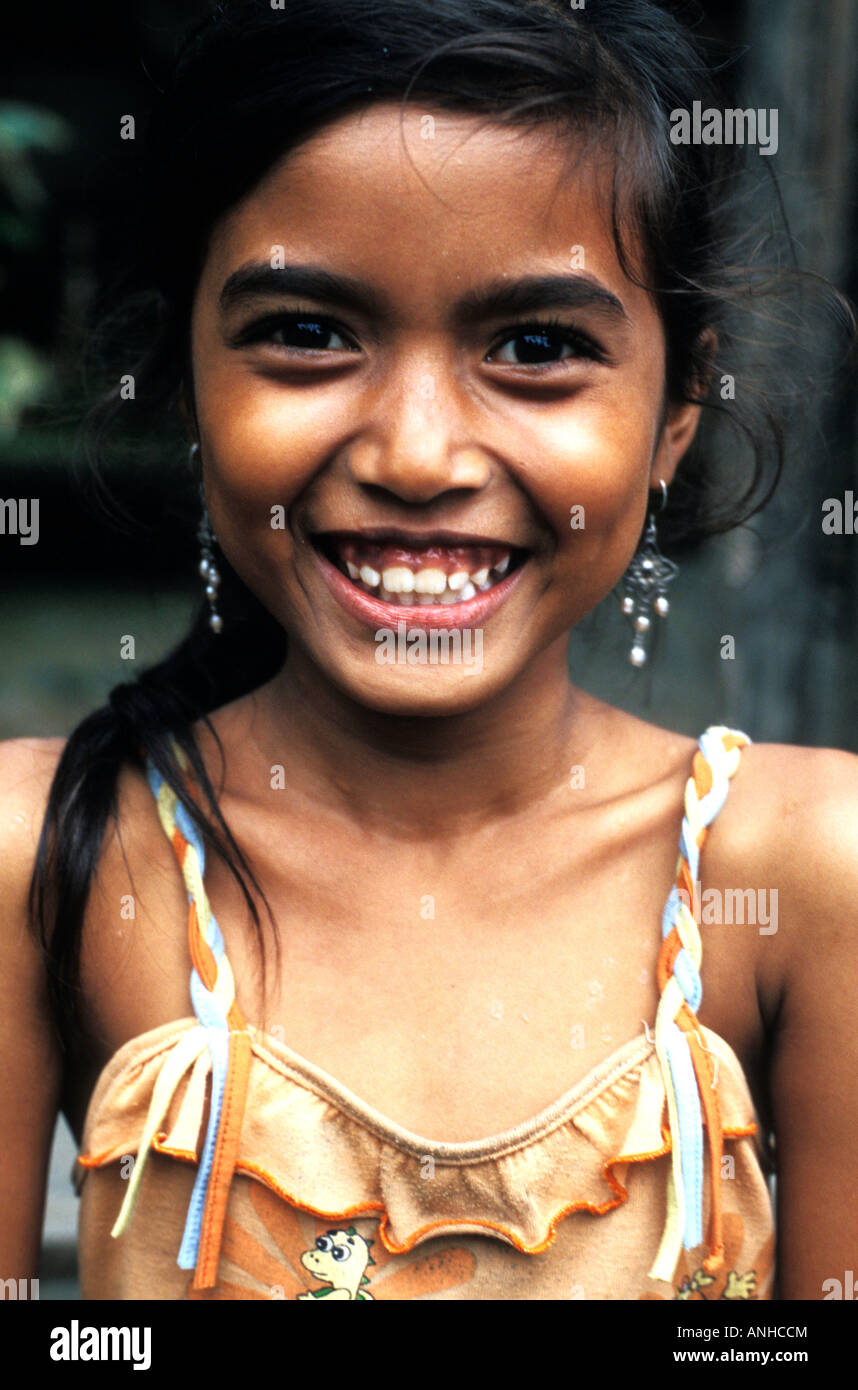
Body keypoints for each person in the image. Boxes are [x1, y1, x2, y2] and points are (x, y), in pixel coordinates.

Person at [1, 0, 856, 1302]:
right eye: (307, 331)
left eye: (535, 348)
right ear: (185, 381)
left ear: (677, 415)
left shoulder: (803, 872)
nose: (413, 454)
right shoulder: (48, 852)